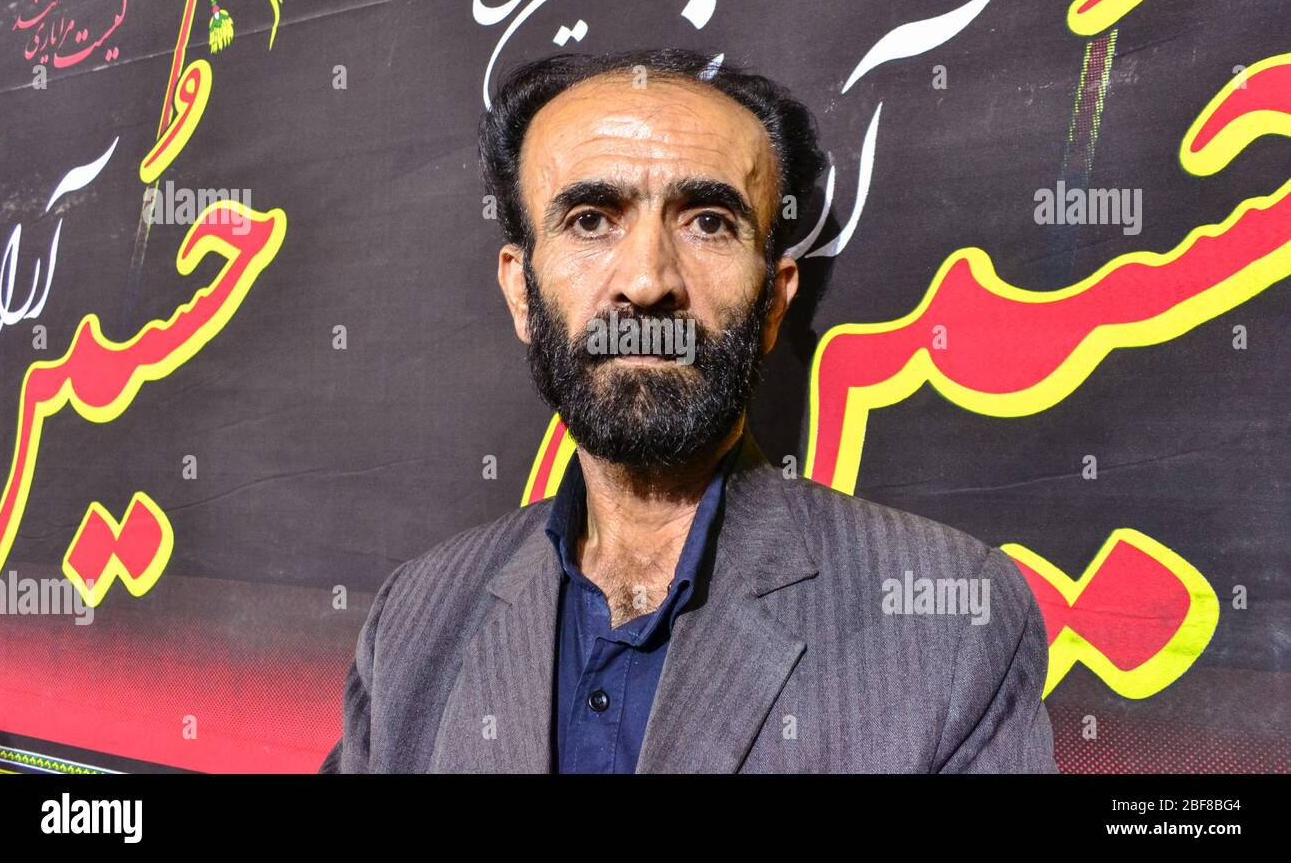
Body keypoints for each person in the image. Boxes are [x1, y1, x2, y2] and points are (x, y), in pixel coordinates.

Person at [319, 47, 1059, 773]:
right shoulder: (412, 621)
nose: (646, 281)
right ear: (520, 291)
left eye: (707, 221)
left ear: (773, 301)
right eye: (589, 220)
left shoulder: (951, 629)